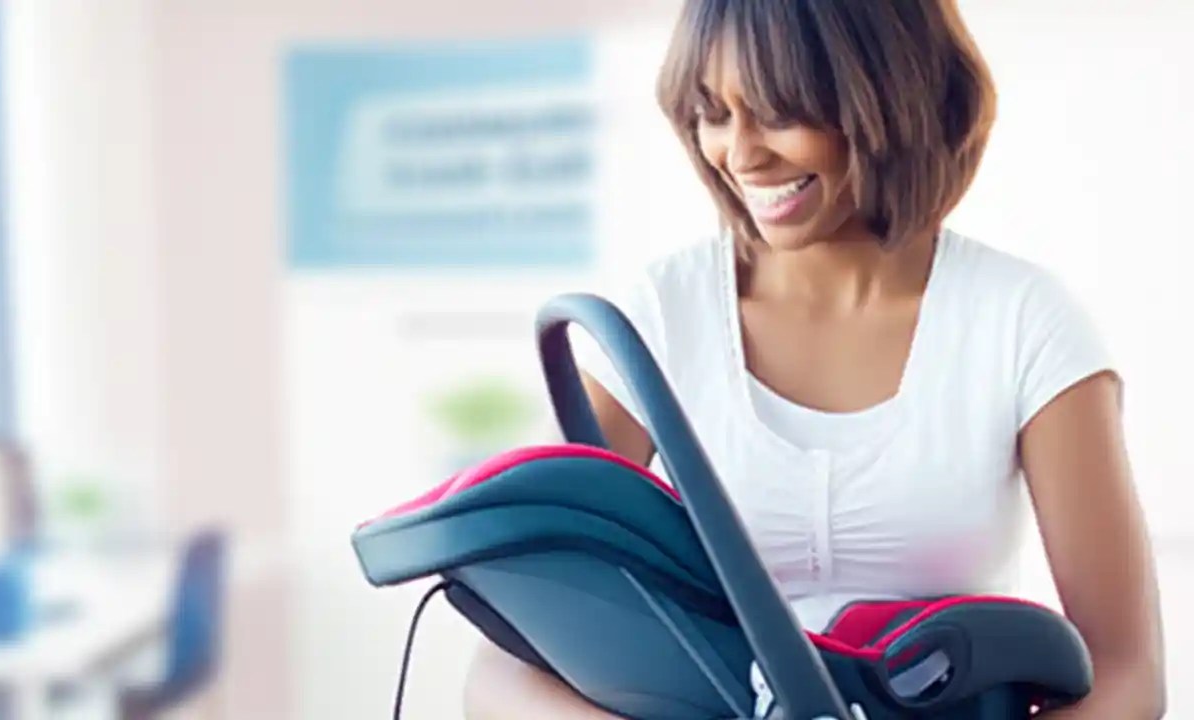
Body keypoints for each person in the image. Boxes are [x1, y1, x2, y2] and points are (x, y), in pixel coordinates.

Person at [464, 1, 1166, 717]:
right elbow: (502, 676)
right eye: (712, 113)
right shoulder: (658, 320)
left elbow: (1128, 680)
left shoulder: (1025, 323)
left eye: (777, 112)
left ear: (890, 97)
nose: (740, 155)